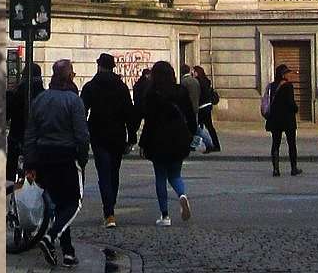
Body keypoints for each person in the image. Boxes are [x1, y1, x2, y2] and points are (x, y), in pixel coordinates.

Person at [23, 59, 89, 267]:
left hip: (43, 156)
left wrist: (30, 163)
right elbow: (82, 135)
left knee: (59, 204)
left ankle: (68, 252)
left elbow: (30, 134)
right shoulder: (73, 100)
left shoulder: (40, 99)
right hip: (66, 156)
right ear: (70, 76)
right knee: (73, 202)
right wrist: (82, 158)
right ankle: (50, 237)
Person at [81, 53, 137, 228]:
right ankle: (110, 206)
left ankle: (109, 212)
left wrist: (83, 133)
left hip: (98, 134)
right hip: (117, 134)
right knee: (114, 173)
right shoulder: (121, 87)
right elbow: (130, 113)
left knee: (103, 173)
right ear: (112, 67)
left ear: (99, 66)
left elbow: (82, 111)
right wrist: (132, 137)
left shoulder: (90, 86)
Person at [139, 61, 195, 226]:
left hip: (157, 140)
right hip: (178, 138)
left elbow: (148, 121)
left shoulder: (151, 94)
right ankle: (182, 194)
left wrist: (142, 142)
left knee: (160, 177)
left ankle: (165, 216)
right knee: (175, 175)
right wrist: (191, 134)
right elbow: (190, 115)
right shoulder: (180, 91)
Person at [5, 62, 43, 179]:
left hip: (16, 136)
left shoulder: (15, 93)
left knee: (11, 168)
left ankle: (10, 186)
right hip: (38, 139)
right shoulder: (43, 95)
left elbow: (6, 115)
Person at [263, 64, 301, 177]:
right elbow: (290, 103)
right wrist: (296, 109)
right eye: (287, 73)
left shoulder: (271, 86)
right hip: (287, 119)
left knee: (275, 144)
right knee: (291, 144)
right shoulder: (288, 86)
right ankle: (293, 168)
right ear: (283, 74)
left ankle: (276, 170)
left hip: (274, 119)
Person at [192, 65, 221, 154]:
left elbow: (199, 95)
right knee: (209, 127)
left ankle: (199, 144)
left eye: (194, 71)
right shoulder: (206, 81)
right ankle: (216, 145)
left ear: (197, 72)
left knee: (195, 127)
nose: (192, 73)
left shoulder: (198, 82)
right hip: (207, 106)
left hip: (202, 107)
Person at [179, 64, 205, 151]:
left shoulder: (184, 82)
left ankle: (189, 143)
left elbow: (182, 96)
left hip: (187, 108)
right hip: (196, 107)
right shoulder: (195, 81)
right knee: (194, 127)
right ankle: (194, 144)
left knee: (187, 127)